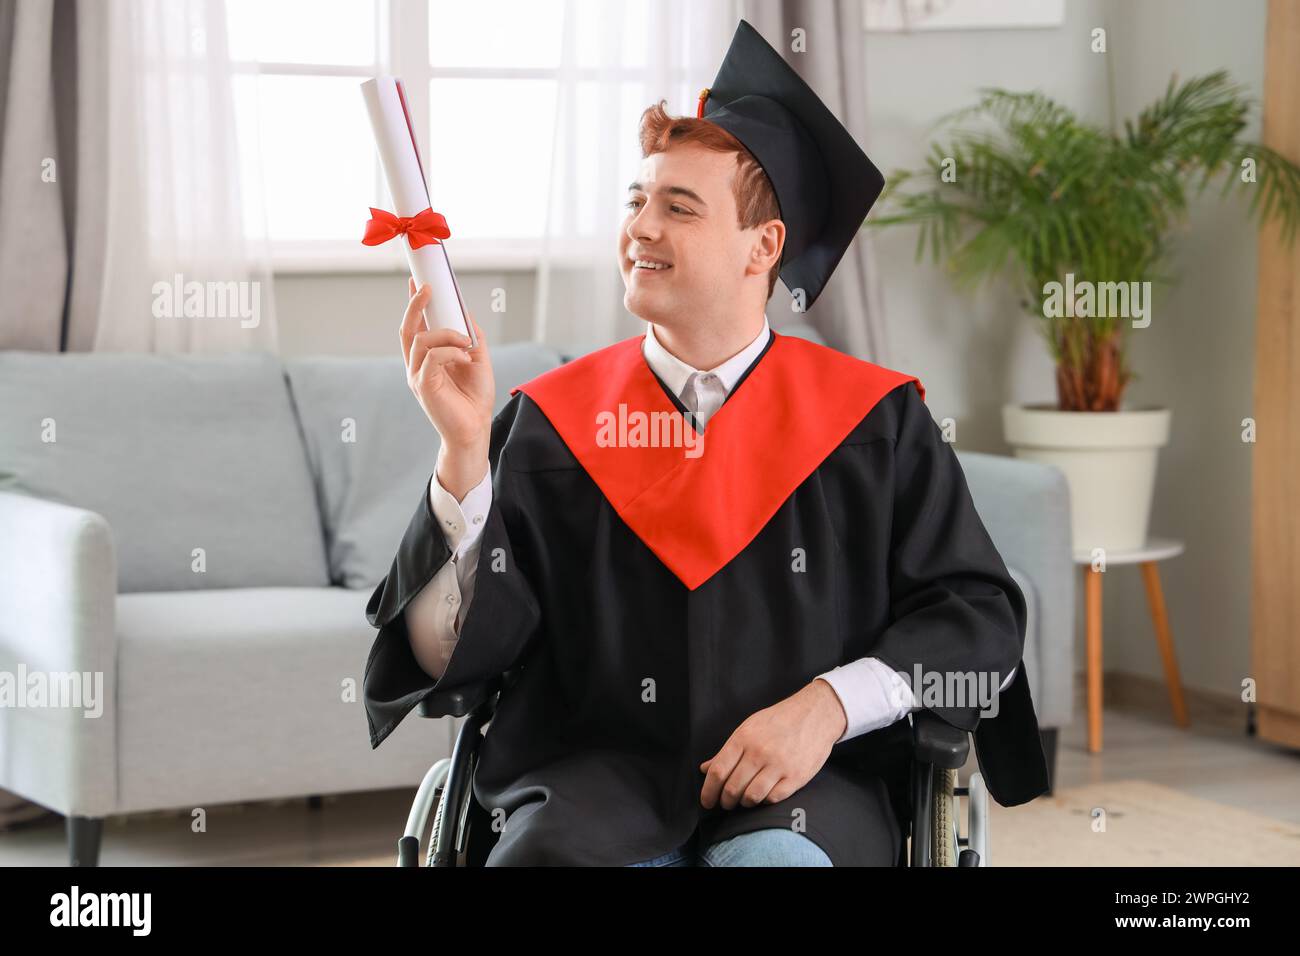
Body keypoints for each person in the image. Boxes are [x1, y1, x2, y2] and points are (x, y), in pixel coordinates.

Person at [362, 19, 1049, 867]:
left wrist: (825, 708)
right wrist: (464, 456)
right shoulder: (553, 424)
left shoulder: (872, 423)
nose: (640, 229)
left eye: (678, 207)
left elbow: (976, 623)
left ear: (764, 246)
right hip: (587, 782)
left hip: (811, 786)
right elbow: (452, 662)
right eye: (636, 201)